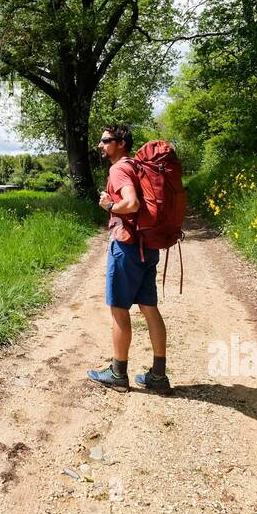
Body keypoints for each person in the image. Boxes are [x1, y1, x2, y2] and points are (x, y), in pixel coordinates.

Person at [87, 124, 170, 392]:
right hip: (148, 246)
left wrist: (109, 205)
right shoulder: (137, 166)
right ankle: (158, 376)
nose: (101, 145)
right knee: (149, 308)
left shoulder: (119, 168)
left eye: (106, 140)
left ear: (121, 143)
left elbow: (132, 203)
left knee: (119, 310)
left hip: (127, 247)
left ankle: (118, 373)